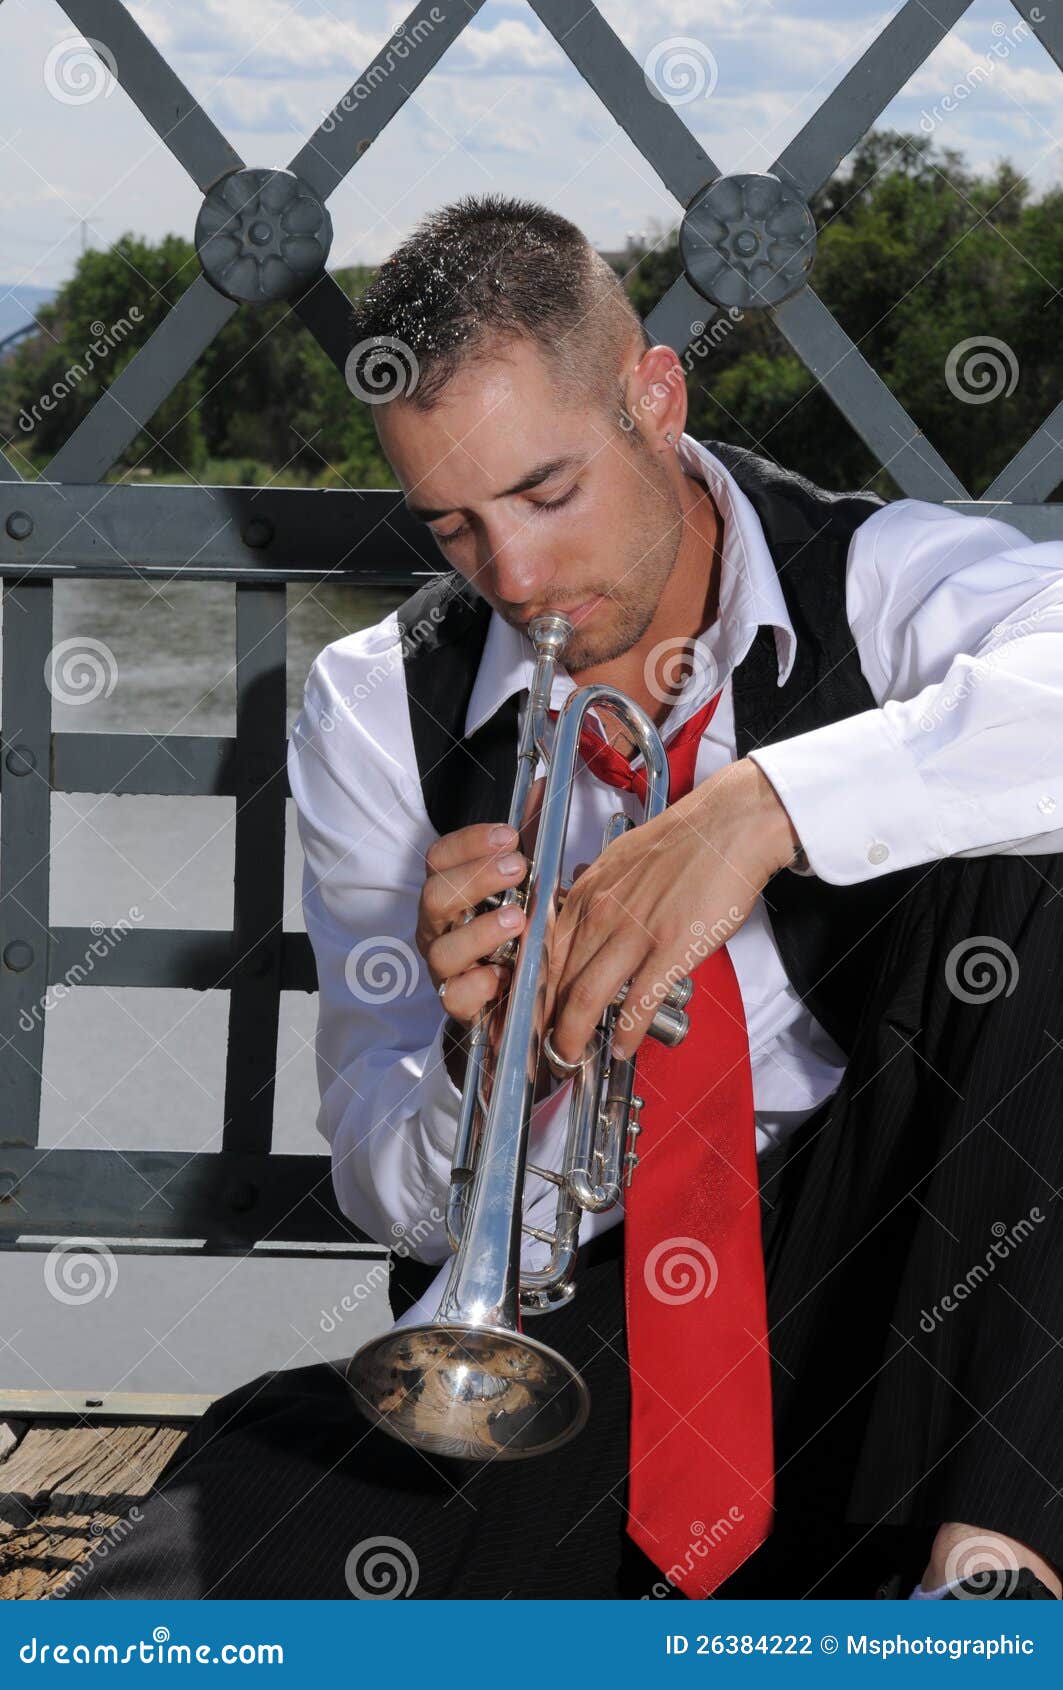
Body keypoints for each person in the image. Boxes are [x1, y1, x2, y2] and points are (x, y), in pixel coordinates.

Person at [67, 193, 1063, 1602]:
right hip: (579, 1324)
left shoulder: (883, 576)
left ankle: (995, 1581)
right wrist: (490, 1063)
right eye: (455, 527)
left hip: (923, 1296)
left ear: (654, 398)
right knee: (178, 1597)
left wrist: (766, 810)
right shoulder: (377, 706)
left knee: (1025, 879)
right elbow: (383, 1183)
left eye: (547, 493)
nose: (517, 576)